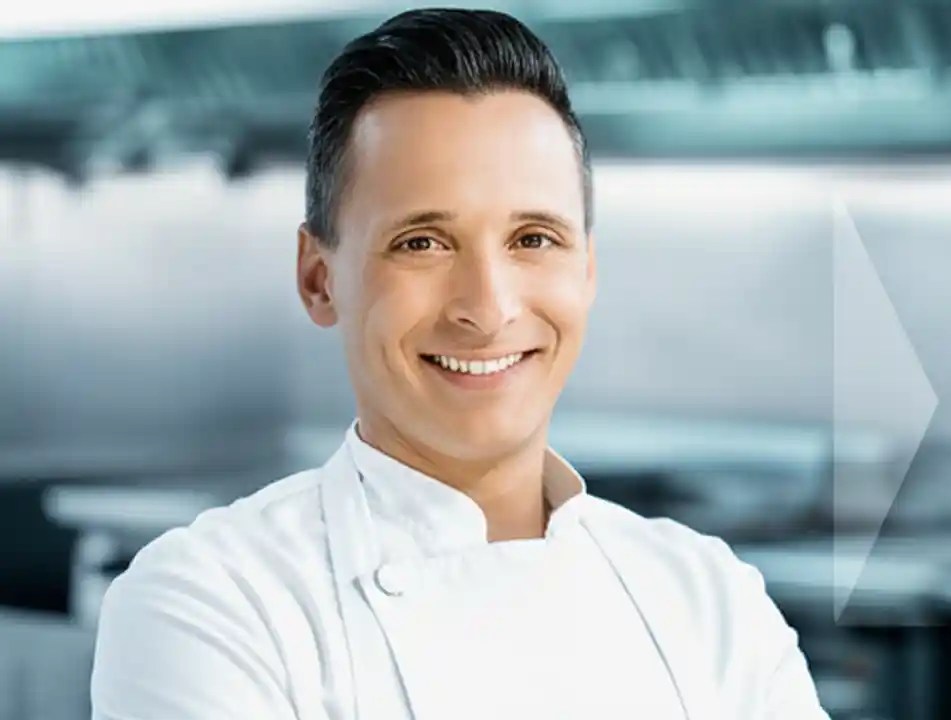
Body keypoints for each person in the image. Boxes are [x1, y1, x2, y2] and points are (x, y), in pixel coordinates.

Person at [90, 8, 829, 719]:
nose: (488, 306)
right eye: (422, 242)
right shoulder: (214, 603)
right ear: (319, 279)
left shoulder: (709, 598)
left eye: (534, 239)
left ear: (588, 272)